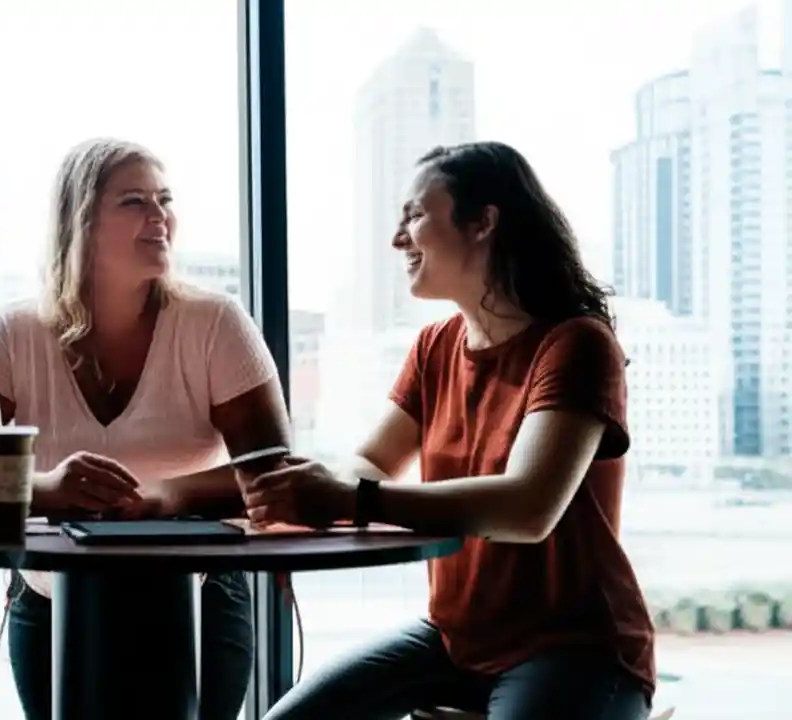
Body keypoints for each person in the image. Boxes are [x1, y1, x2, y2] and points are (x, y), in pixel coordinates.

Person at [249, 142, 656, 720]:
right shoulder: (434, 346)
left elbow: (527, 507)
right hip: (455, 640)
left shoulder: (576, 344)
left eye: (415, 215)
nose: (398, 240)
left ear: (484, 221)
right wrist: (313, 502)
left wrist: (348, 498)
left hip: (576, 651)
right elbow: (371, 462)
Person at [0, 137, 292, 720]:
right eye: (134, 202)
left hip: (200, 593)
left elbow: (275, 473)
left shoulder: (215, 323)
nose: (159, 217)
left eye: (165, 199)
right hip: (49, 594)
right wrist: (49, 488)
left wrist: (165, 496)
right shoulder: (12, 333)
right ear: (81, 221)